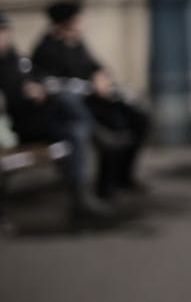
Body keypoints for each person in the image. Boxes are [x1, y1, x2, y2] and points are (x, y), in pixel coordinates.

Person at [31, 0, 151, 199]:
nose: (82, 25)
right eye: (77, 20)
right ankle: (106, 188)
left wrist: (100, 76)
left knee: (139, 118)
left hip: (95, 101)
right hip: (77, 108)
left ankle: (124, 177)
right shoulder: (47, 49)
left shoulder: (77, 43)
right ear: (66, 24)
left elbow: (95, 66)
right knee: (113, 127)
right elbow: (54, 86)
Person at [0, 11, 113, 222]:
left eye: (5, 31)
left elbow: (36, 76)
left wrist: (38, 87)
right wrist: (25, 93)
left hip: (40, 117)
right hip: (20, 126)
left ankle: (80, 199)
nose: (3, 36)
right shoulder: (44, 48)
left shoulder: (14, 57)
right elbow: (13, 95)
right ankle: (98, 133)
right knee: (67, 100)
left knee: (76, 130)